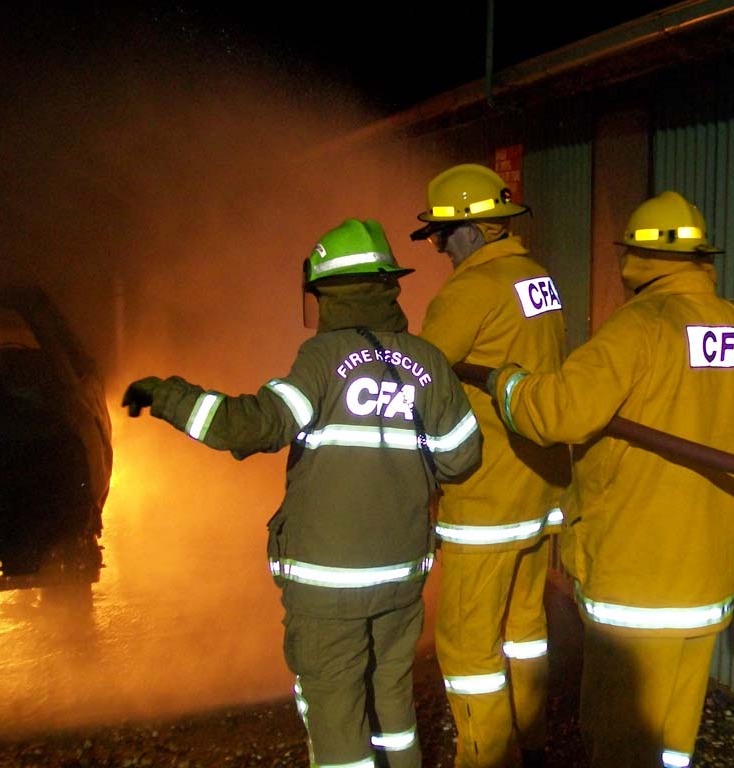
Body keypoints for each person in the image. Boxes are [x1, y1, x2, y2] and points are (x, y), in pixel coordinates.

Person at [121, 218, 483, 768]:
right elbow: (461, 456)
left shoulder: (321, 359)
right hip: (401, 573)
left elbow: (251, 426)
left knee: (336, 710)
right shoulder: (428, 362)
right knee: (391, 699)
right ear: (386, 285)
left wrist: (165, 395)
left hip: (328, 583)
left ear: (328, 292)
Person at [488, 190, 734, 768]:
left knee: (621, 741)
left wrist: (507, 384)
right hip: (706, 577)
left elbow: (559, 412)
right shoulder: (733, 325)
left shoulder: (642, 325)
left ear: (636, 257)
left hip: (640, 579)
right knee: (674, 742)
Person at [410, 162, 569, 768]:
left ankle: (487, 757)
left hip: (485, 494)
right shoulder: (537, 279)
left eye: (442, 235)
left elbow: (418, 380)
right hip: (538, 485)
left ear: (474, 230)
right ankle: (533, 739)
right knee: (523, 624)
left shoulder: (471, 290)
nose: (440, 248)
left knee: (466, 643)